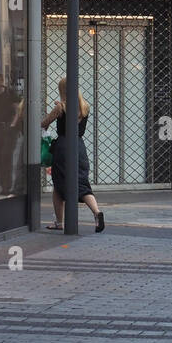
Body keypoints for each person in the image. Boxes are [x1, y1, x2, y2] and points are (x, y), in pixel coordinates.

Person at [41, 77, 105, 232]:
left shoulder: (61, 107)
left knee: (58, 184)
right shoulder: (85, 107)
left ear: (62, 90)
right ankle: (97, 212)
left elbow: (44, 123)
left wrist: (55, 109)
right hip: (79, 147)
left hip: (63, 147)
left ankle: (59, 222)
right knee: (82, 183)